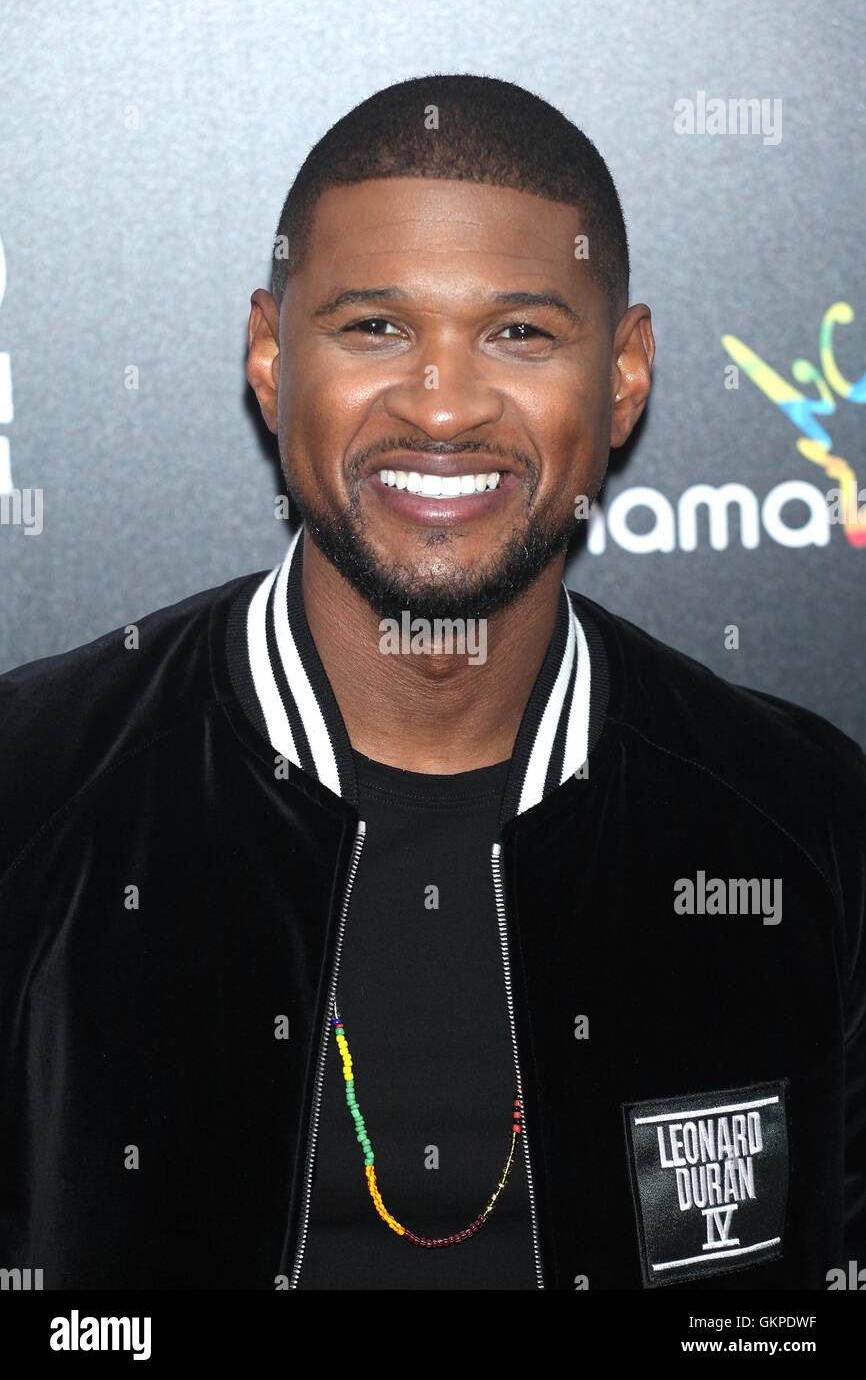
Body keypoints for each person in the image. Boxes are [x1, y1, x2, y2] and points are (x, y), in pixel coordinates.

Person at [1, 73, 864, 1292]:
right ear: (268, 354)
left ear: (622, 376)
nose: (443, 406)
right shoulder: (31, 788)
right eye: (373, 328)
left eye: (519, 332)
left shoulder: (807, 821)